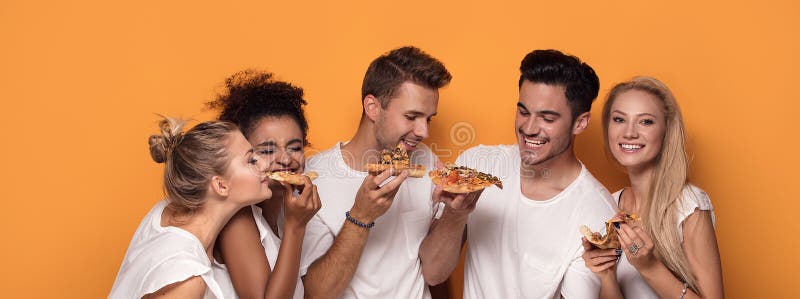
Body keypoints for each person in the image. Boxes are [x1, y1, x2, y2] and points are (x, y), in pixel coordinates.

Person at [425, 49, 618, 298]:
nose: (528, 128)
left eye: (547, 118)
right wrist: (455, 214)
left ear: (580, 123)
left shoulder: (595, 210)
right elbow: (433, 272)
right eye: (524, 112)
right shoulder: (478, 165)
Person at [300, 46, 452, 298]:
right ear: (372, 107)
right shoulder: (316, 178)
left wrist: (454, 214)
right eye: (412, 116)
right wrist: (360, 216)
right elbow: (316, 293)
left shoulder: (427, 161)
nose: (424, 132)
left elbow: (435, 271)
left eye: (429, 119)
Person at [581, 76, 724, 298]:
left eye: (645, 121)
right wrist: (606, 274)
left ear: (666, 131)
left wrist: (649, 267)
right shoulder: (609, 204)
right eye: (619, 119)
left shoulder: (688, 205)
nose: (629, 133)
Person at [110, 117, 275, 298]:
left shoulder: (165, 214)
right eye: (251, 160)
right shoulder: (187, 279)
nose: (266, 164)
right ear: (221, 186)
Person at [208, 70, 322, 299]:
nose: (286, 159)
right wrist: (296, 226)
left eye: (295, 147)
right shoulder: (236, 216)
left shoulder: (283, 212)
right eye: (267, 150)